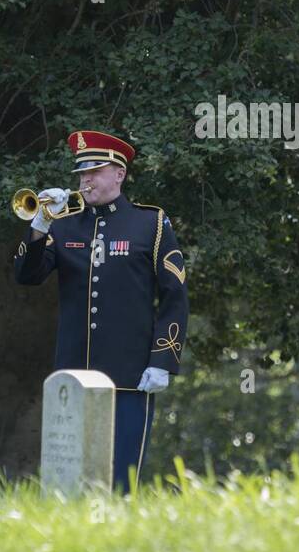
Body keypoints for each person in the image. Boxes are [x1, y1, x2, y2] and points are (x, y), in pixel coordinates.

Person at [14, 130, 189, 492]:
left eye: (94, 171)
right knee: (69, 482)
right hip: (74, 375)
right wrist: (40, 224)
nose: (85, 180)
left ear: (119, 174)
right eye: (81, 173)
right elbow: (27, 276)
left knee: (121, 482)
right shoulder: (63, 224)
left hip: (130, 376)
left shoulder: (150, 224)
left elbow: (175, 295)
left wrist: (162, 360)